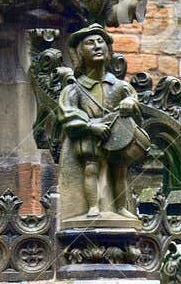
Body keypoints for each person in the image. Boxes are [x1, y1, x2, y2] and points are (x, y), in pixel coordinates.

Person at [58, 24, 149, 221]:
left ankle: (121, 207)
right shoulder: (75, 88)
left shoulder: (119, 86)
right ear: (80, 52)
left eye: (101, 42)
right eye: (90, 43)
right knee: (91, 168)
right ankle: (92, 207)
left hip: (116, 134)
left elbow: (134, 100)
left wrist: (129, 102)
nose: (97, 46)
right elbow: (68, 113)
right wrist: (90, 126)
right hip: (91, 134)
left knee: (120, 171)